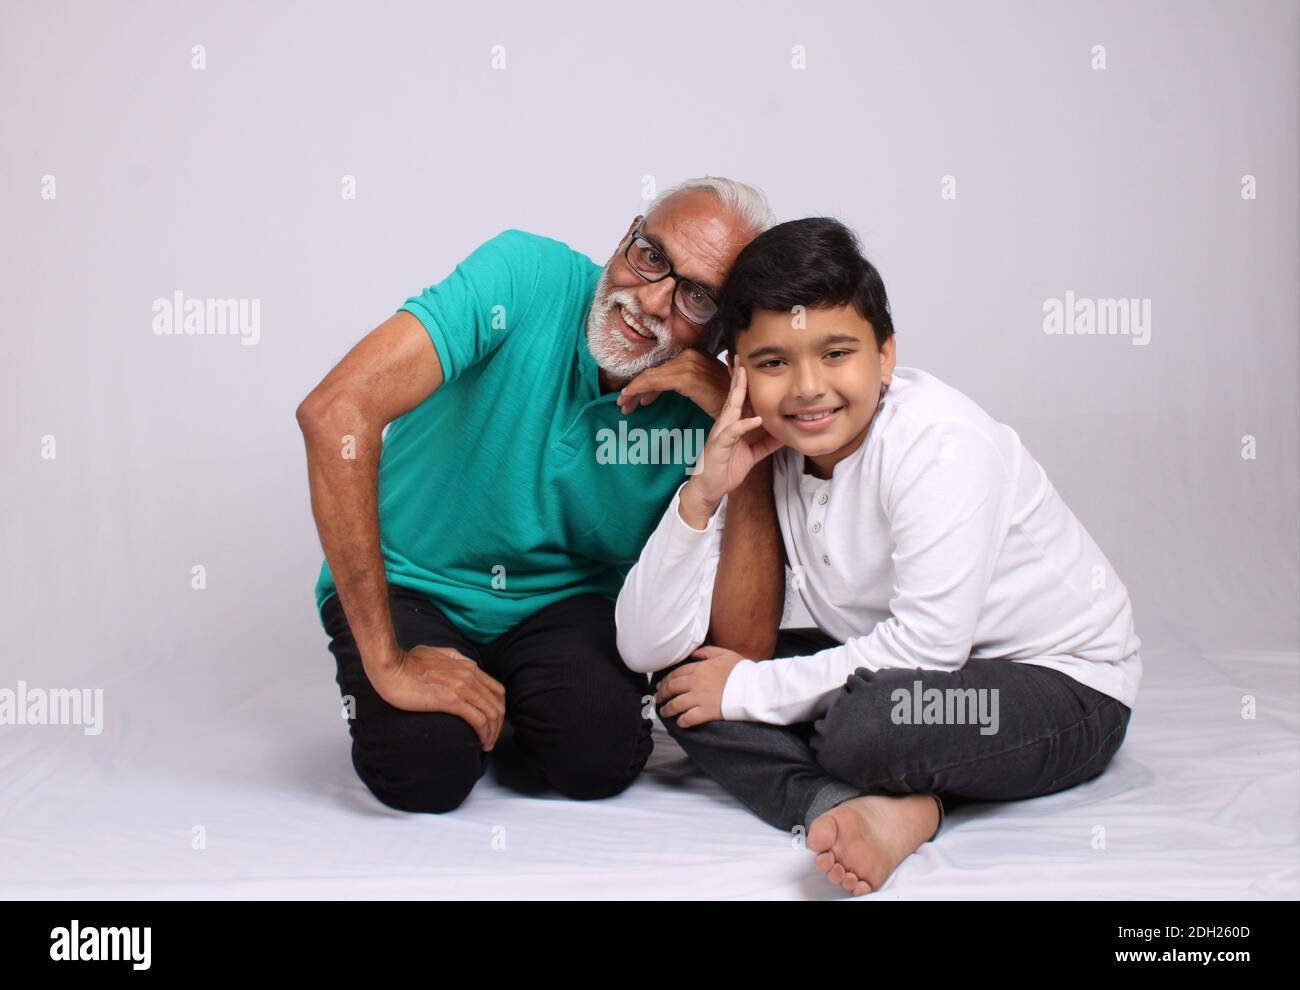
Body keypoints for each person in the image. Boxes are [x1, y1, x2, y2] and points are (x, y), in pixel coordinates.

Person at [615, 217, 1141, 895]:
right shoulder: (769, 442)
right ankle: (847, 808)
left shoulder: (940, 442)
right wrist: (706, 491)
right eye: (774, 362)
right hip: (891, 664)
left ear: (885, 356)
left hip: (1061, 684)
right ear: (737, 371)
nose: (807, 388)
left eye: (837, 354)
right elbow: (642, 646)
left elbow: (928, 651)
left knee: (868, 724)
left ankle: (909, 802)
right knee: (686, 688)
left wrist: (748, 690)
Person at [297, 177, 780, 813]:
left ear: (723, 331)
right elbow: (337, 414)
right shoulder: (523, 276)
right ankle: (470, 699)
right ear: (623, 239)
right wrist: (386, 662)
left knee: (598, 761)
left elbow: (741, 652)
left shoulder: (708, 404)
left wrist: (737, 433)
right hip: (413, 581)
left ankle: (509, 697)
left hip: (565, 603)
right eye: (651, 255)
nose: (653, 300)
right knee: (423, 769)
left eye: (696, 297)